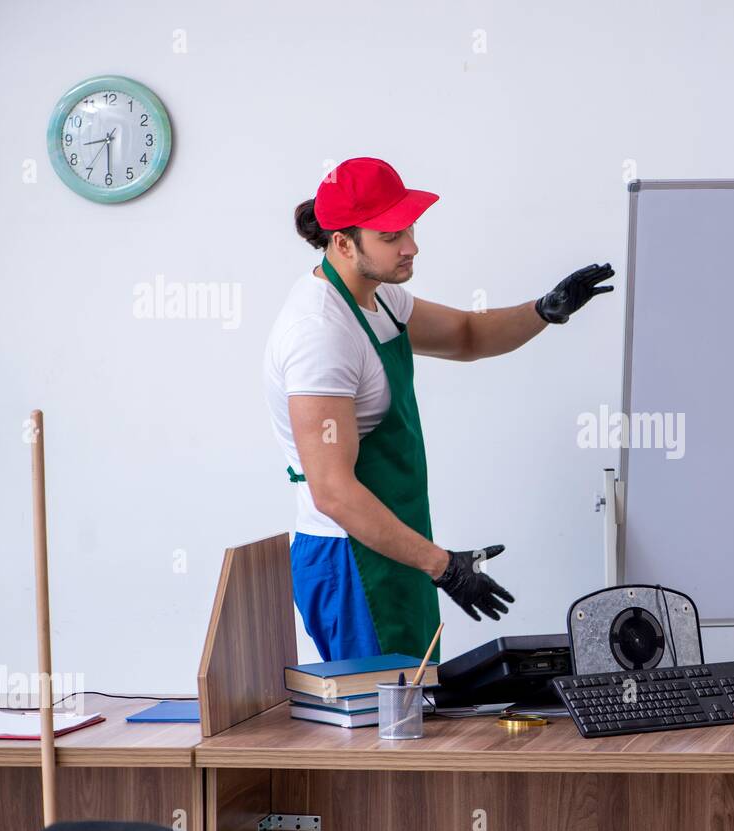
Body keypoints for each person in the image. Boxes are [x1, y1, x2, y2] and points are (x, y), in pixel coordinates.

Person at [262, 156, 614, 662]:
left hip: (395, 542)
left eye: (409, 228)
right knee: (381, 726)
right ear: (342, 242)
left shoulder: (380, 299)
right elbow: (334, 492)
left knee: (413, 714)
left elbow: (468, 335)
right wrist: (443, 566)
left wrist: (545, 309)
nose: (411, 246)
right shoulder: (320, 334)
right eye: (389, 236)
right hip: (351, 557)